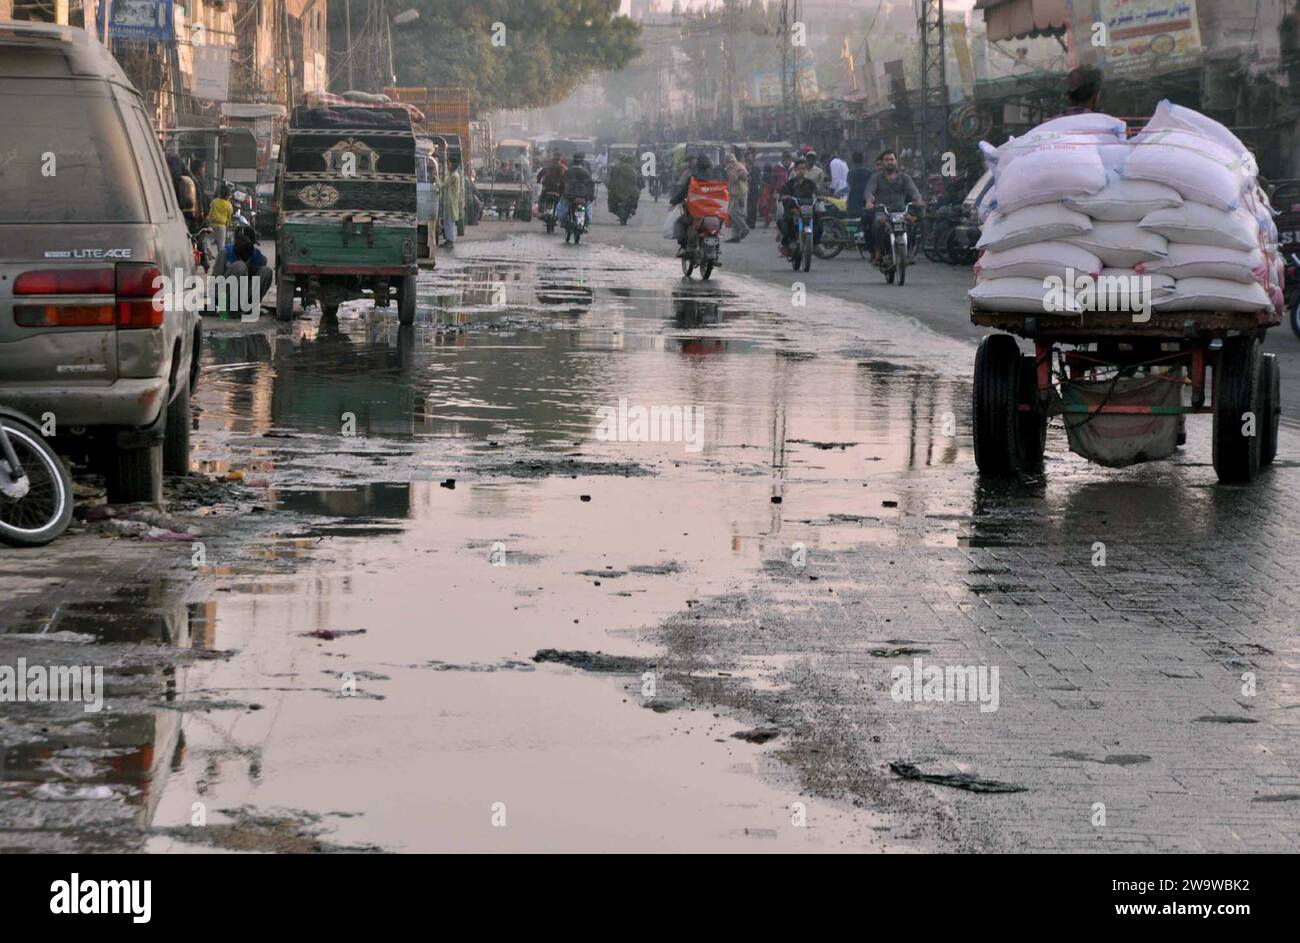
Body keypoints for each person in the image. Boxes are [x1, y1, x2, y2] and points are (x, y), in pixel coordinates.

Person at [863, 149, 922, 263]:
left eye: (892, 159)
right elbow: (869, 191)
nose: (890, 162)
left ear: (896, 161)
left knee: (913, 225)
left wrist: (918, 200)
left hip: (901, 211)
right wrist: (869, 202)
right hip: (883, 211)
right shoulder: (876, 177)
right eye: (887, 160)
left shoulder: (904, 178)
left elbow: (913, 191)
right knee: (877, 225)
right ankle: (878, 253)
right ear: (883, 162)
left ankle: (910, 252)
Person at [669, 154, 726, 257]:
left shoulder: (693, 177)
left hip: (698, 212)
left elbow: (683, 193)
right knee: (719, 222)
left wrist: (673, 201)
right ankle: (716, 247)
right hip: (715, 211)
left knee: (681, 221)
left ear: (697, 165)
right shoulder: (717, 177)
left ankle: (684, 247)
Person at [219, 225, 272, 315]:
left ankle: (249, 306)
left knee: (267, 271)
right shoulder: (226, 252)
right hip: (226, 296)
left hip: (246, 295)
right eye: (238, 240)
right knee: (240, 266)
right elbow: (216, 278)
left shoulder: (258, 256)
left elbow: (260, 279)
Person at [777, 157, 820, 254]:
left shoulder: (810, 183)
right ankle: (789, 242)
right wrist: (784, 196)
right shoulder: (790, 183)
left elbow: (817, 193)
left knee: (819, 221)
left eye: (803, 169)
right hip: (794, 209)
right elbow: (783, 192)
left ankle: (816, 244)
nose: (801, 171)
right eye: (799, 169)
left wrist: (821, 197)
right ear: (795, 170)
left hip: (808, 209)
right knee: (785, 221)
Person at [558, 153, 596, 230]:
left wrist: (562, 192)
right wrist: (591, 196)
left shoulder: (569, 171)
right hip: (583, 196)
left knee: (563, 206)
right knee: (589, 206)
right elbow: (591, 184)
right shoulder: (586, 172)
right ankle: (586, 223)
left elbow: (562, 182)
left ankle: (563, 222)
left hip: (571, 195)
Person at [724, 152, 750, 243]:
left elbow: (745, 176)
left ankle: (744, 228)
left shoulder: (739, 167)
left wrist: (737, 176)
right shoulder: (730, 168)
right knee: (735, 215)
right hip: (733, 194)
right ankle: (736, 236)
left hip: (739, 194)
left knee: (734, 213)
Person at [441, 156, 465, 247]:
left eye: (450, 164)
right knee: (447, 222)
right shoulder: (452, 175)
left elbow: (444, 184)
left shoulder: (454, 176)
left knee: (450, 223)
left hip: (451, 203)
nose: (449, 166)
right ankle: (448, 240)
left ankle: (450, 241)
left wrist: (436, 180)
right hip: (449, 203)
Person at [208, 184, 233, 254]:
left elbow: (210, 212)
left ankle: (208, 250)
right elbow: (229, 217)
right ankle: (221, 258)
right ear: (228, 195)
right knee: (221, 245)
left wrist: (208, 222)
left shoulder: (214, 201)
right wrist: (228, 225)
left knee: (207, 240)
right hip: (222, 226)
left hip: (212, 225)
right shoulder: (229, 205)